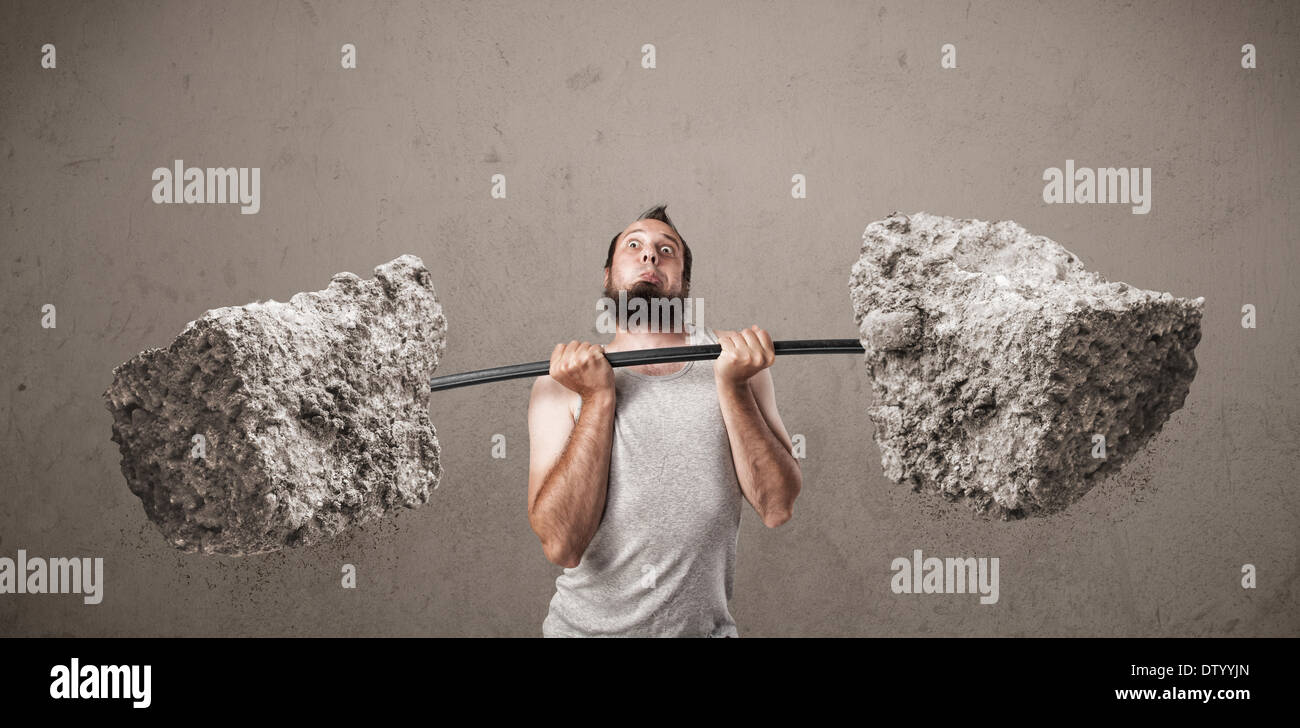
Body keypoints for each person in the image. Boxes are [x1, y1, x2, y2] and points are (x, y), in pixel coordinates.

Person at [526, 203, 802, 637]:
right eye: (633, 245)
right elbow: (562, 544)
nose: (649, 255)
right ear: (607, 275)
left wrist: (732, 386)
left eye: (666, 249)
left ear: (685, 282)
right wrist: (598, 398)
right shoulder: (561, 382)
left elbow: (777, 505)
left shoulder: (738, 363)